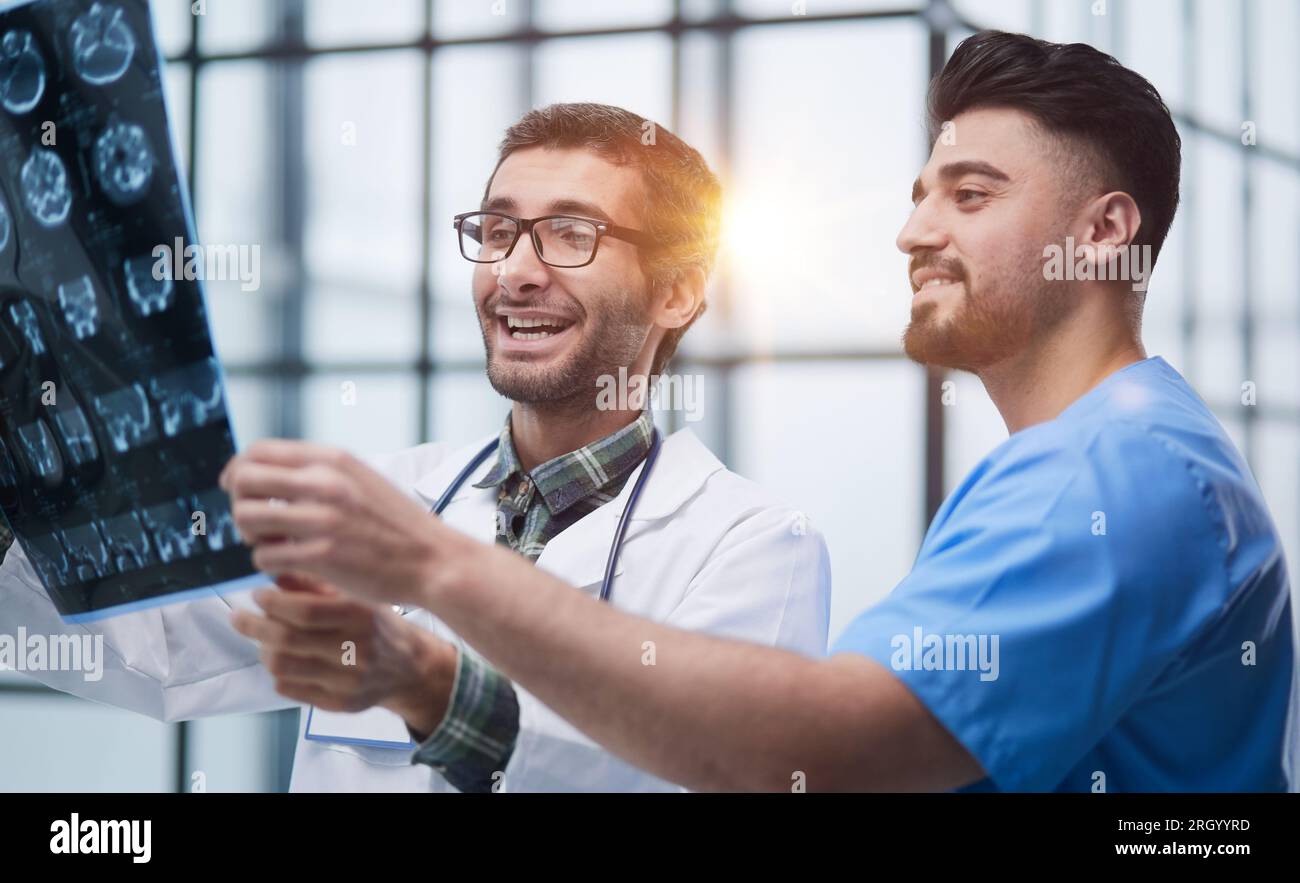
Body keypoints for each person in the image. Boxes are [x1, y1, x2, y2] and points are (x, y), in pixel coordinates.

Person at [226, 32, 1295, 792]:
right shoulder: (1073, 464)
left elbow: (819, 754)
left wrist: (432, 575)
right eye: (919, 192)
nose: (912, 232)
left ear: (1103, 231)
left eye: (968, 195)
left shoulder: (1110, 477)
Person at [0, 102, 831, 792]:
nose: (515, 272)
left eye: (571, 234)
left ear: (678, 290)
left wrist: (433, 686)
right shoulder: (381, 498)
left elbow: (712, 771)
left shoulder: (754, 548)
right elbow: (166, 648)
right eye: (498, 231)